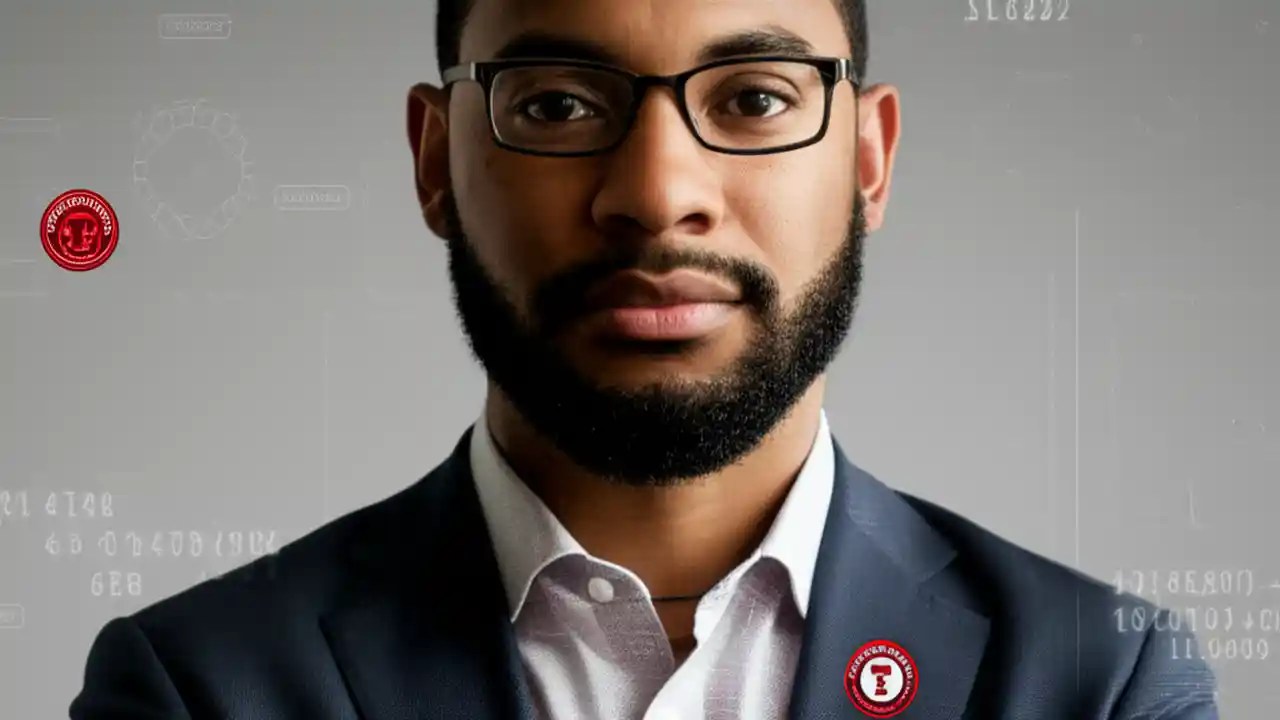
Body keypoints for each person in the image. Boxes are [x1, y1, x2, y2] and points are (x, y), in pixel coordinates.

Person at [70, 0, 1221, 718]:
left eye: (757, 97)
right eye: (560, 103)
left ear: (868, 160)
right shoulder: (200, 686)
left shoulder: (1096, 686)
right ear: (434, 160)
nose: (657, 196)